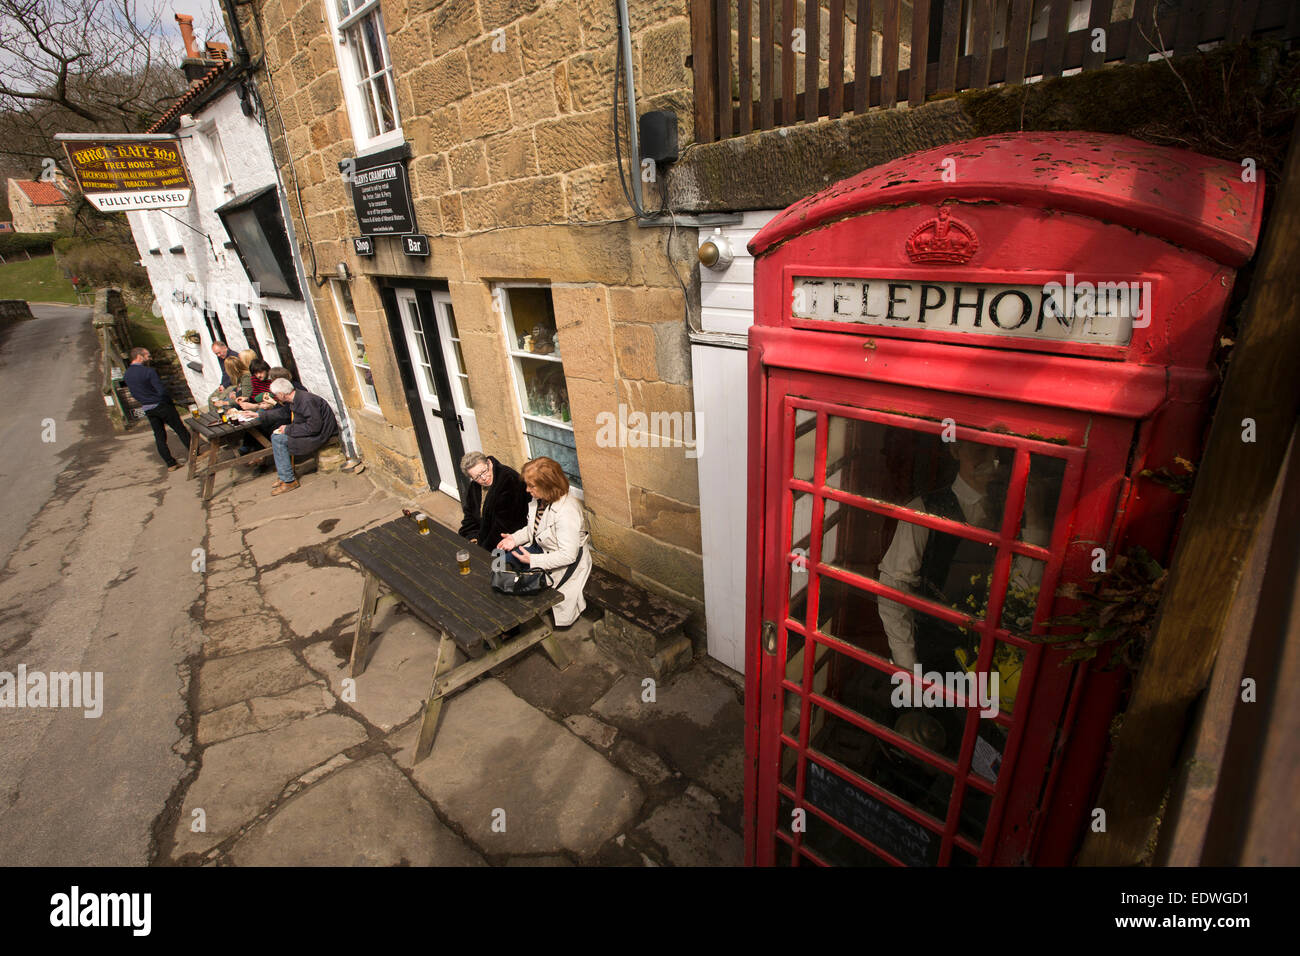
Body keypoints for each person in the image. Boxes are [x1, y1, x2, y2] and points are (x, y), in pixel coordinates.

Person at [877, 440, 1051, 672]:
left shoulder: (1025, 514)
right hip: (935, 654)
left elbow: (1030, 592)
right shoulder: (923, 510)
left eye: (1002, 452)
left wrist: (1036, 517)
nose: (993, 460)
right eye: (981, 449)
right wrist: (907, 667)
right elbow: (894, 588)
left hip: (1001, 658)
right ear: (955, 449)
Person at [498, 457, 592, 627]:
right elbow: (531, 529)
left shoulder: (566, 512)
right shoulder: (540, 500)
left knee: (512, 586)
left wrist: (533, 560)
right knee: (499, 563)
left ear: (548, 485)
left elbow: (568, 556)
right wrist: (514, 539)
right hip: (540, 548)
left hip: (558, 560)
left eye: (531, 486)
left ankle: (509, 626)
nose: (527, 490)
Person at [266, 378, 338, 495]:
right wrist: (286, 429)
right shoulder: (297, 399)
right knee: (276, 436)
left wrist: (288, 429)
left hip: (320, 434)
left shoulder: (305, 401)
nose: (276, 398)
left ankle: (288, 480)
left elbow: (314, 427)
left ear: (281, 394)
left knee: (278, 440)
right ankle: (284, 474)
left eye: (276, 395)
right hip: (314, 431)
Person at [123, 347, 190, 471]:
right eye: (147, 356)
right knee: (180, 429)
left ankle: (170, 463)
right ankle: (195, 453)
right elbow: (161, 390)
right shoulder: (148, 371)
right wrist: (168, 401)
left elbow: (134, 393)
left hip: (148, 408)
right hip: (161, 404)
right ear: (139, 357)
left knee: (159, 436)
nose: (149, 358)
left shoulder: (127, 375)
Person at [458, 451, 529, 553]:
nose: (483, 478)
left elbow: (503, 526)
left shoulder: (508, 479)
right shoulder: (475, 486)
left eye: (484, 471)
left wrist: (481, 548)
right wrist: (471, 536)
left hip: (507, 539)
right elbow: (469, 515)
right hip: (484, 538)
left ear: (489, 463)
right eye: (477, 477)